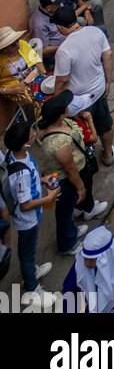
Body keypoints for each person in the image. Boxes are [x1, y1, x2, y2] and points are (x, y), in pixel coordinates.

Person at [34, 90, 107, 253]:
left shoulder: (46, 122)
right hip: (63, 179)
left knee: (68, 207)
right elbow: (70, 169)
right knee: (64, 212)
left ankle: (74, 227)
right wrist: (80, 187)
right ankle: (67, 244)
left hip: (66, 173)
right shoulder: (60, 142)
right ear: (60, 116)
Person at [52, 9, 114, 166]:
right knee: (105, 124)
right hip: (99, 90)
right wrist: (108, 81)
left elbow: (61, 81)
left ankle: (87, 161)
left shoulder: (64, 50)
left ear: (60, 27)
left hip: (78, 100)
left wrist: (56, 102)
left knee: (83, 132)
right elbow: (107, 55)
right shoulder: (96, 32)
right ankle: (108, 154)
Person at [3, 120, 57, 294]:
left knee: (29, 249)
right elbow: (25, 205)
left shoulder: (15, 154)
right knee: (27, 251)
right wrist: (49, 197)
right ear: (26, 144)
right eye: (31, 132)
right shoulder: (21, 174)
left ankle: (32, 271)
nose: (34, 132)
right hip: (27, 220)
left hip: (32, 215)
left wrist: (42, 180)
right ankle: (32, 287)